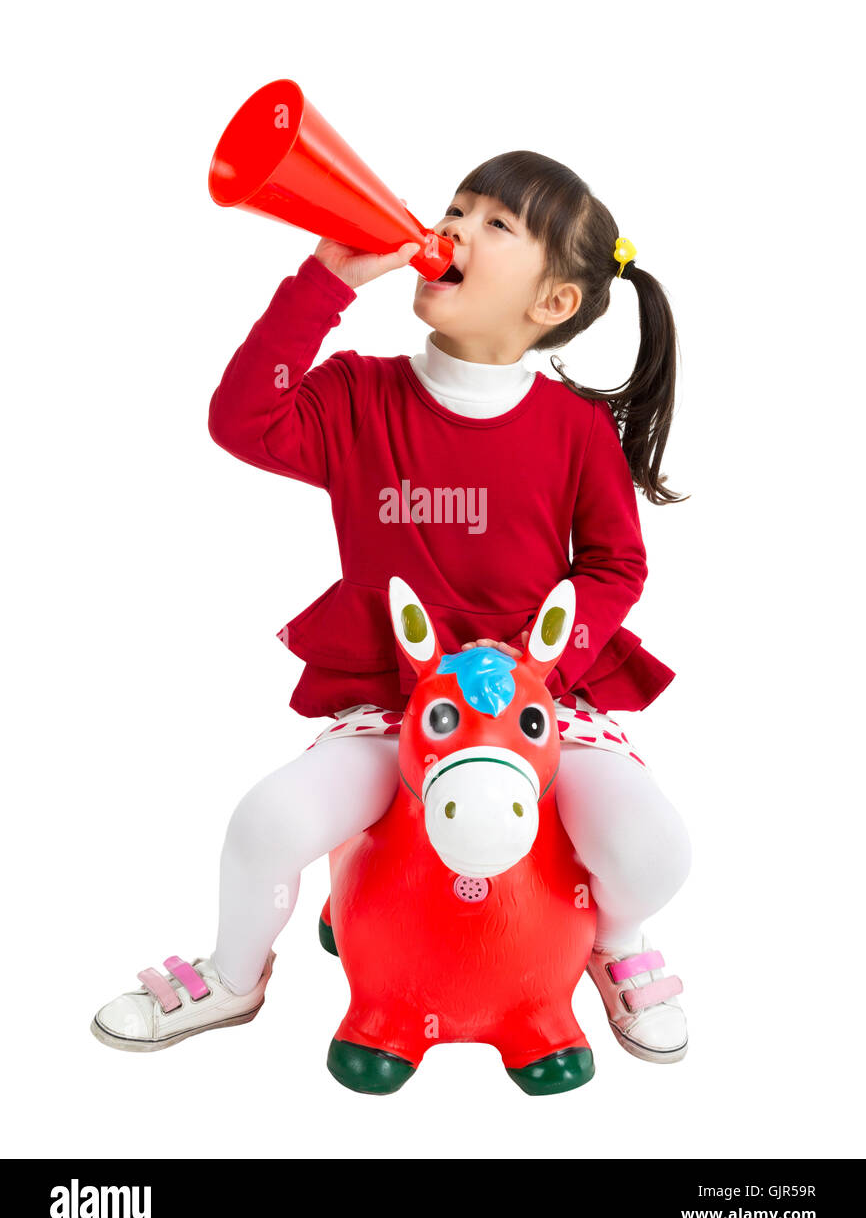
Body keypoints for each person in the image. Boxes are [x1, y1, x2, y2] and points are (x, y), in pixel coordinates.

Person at [91, 151, 692, 1066]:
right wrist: (325, 282)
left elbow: (616, 565)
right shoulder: (356, 393)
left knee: (652, 848)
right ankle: (231, 977)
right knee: (267, 825)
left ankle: (612, 946)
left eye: (496, 224)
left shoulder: (576, 430)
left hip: (543, 706)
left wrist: (545, 672)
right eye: (457, 206)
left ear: (553, 305)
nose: (453, 228)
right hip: (392, 701)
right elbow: (241, 420)